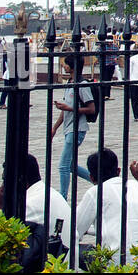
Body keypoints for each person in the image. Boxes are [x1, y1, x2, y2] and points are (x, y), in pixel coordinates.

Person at [74, 148, 138, 265]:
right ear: (118, 171)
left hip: (118, 260)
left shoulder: (95, 192)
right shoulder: (134, 185)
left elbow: (75, 229)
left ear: (91, 177)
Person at [49, 52, 96, 199]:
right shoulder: (70, 83)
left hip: (77, 129)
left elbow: (91, 108)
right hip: (68, 128)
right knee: (70, 166)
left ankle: (62, 197)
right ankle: (97, 181)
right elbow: (65, 110)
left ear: (72, 67)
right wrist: (55, 128)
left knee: (63, 165)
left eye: (66, 64)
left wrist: (69, 108)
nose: (64, 66)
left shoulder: (82, 85)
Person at [22, 154, 71, 261]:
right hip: (69, 261)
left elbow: (4, 243)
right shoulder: (49, 192)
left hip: (55, 265)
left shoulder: (29, 204)